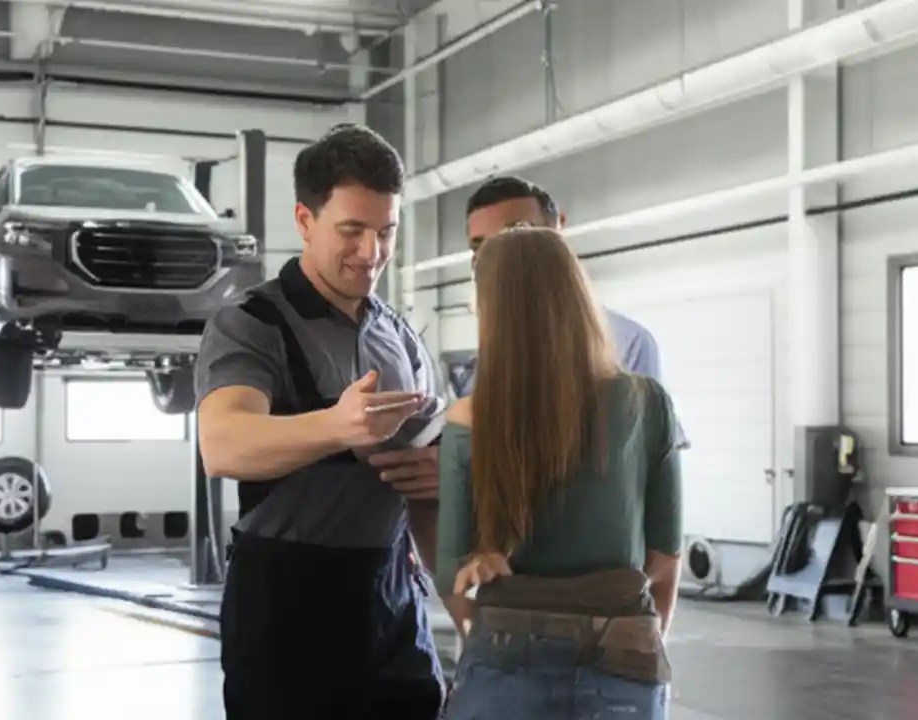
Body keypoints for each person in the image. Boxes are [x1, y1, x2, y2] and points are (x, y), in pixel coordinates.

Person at [194, 124, 446, 720]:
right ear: (305, 220)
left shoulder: (400, 335)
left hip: (392, 591)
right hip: (288, 602)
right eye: (351, 231)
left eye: (386, 232)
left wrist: (441, 468)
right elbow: (224, 445)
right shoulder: (251, 323)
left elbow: (433, 450)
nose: (372, 253)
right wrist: (336, 427)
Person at [435, 227, 683, 719]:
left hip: (506, 654)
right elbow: (664, 559)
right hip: (623, 652)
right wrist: (641, 643)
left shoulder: (471, 418)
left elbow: (451, 573)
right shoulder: (645, 401)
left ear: (493, 315)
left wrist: (482, 637)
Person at [464, 175, 662, 380]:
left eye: (517, 232)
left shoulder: (627, 345)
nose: (498, 256)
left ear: (557, 230)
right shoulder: (492, 354)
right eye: (480, 247)